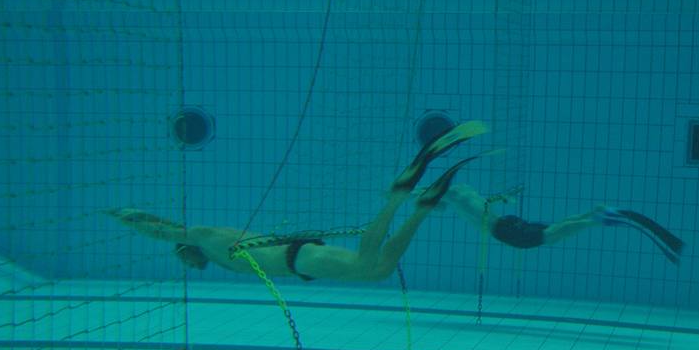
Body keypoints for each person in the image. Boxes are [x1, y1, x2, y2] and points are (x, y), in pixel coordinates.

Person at [106, 121, 490, 283]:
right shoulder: (212, 245)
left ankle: (397, 199)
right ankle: (423, 208)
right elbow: (170, 232)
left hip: (297, 258)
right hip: (298, 259)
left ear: (186, 246)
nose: (189, 263)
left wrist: (125, 215)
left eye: (183, 256)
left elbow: (162, 230)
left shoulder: (204, 236)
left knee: (363, 264)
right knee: (380, 271)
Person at [435, 183, 686, 265]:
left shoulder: (454, 196)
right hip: (508, 224)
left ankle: (597, 218)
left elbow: (431, 199)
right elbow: (447, 201)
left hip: (507, 230)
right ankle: (597, 213)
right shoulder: (463, 192)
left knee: (552, 234)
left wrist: (402, 193)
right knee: (554, 228)